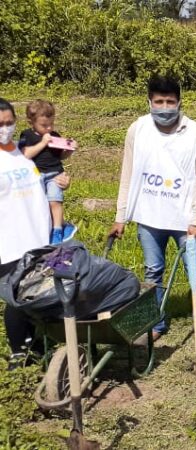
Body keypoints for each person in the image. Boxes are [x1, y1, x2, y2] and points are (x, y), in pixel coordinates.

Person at [108, 75, 196, 343]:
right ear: (149, 102)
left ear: (179, 102)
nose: (165, 107)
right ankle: (156, 323)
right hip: (149, 216)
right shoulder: (138, 129)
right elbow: (127, 173)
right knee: (153, 271)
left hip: (184, 218)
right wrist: (121, 216)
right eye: (159, 102)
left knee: (195, 271)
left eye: (170, 102)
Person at [0, 98, 70, 370]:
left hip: (37, 239)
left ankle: (37, 348)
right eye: (0, 124)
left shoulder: (20, 153)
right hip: (8, 243)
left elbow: (42, 183)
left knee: (37, 294)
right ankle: (19, 356)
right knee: (18, 300)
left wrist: (60, 180)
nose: (5, 128)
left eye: (8, 123)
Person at [19, 100, 77, 244]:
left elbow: (60, 156)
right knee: (38, 205)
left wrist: (69, 150)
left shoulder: (54, 135)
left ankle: (57, 230)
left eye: (52, 124)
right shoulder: (26, 135)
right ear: (31, 122)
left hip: (54, 174)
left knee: (55, 201)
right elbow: (25, 154)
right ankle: (38, 232)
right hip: (35, 176)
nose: (49, 128)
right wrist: (43, 143)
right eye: (44, 125)